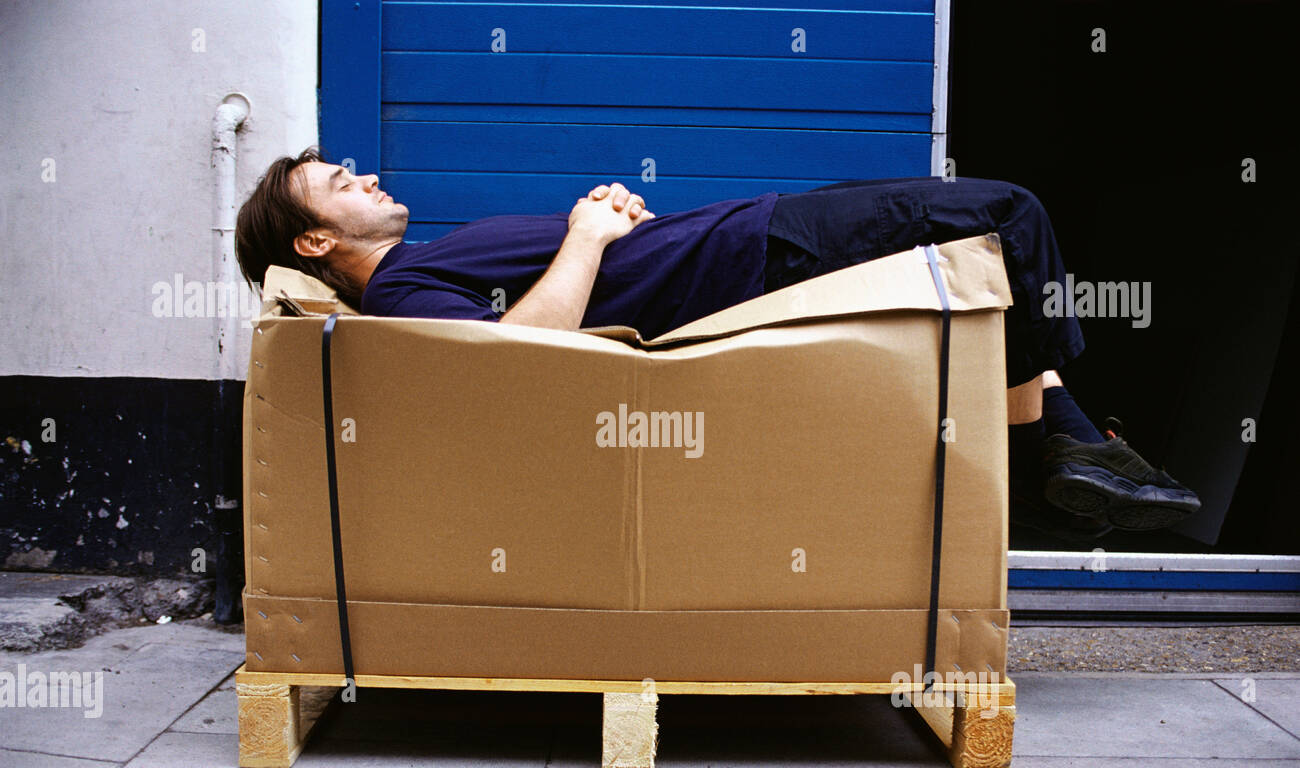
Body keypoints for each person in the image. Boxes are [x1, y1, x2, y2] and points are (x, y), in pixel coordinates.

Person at [234, 147, 1201, 540]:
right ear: (314, 242)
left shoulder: (420, 265)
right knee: (1007, 213)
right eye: (339, 184)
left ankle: (1067, 440)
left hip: (747, 234)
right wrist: (588, 235)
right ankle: (1057, 447)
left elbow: (538, 307)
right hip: (752, 254)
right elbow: (520, 360)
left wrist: (610, 226)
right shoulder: (399, 289)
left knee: (965, 233)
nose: (364, 176)